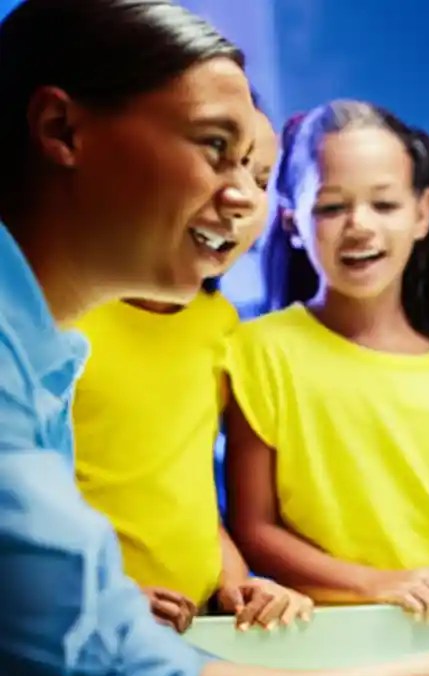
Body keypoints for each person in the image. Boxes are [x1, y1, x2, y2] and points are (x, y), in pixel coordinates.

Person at [0, 1, 429, 676]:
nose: (242, 196)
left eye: (255, 168)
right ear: (62, 130)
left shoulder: (43, 356)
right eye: (215, 145)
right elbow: (111, 675)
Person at [225, 100, 429, 612]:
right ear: (293, 223)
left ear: (423, 214)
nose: (359, 225)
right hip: (337, 642)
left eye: (384, 205)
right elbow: (254, 530)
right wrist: (377, 585)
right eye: (331, 207)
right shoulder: (259, 351)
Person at [72, 94, 313, 634]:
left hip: (195, 630)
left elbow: (195, 499)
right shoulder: (61, 314)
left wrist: (238, 582)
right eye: (218, 160)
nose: (244, 197)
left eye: (261, 177)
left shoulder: (220, 325)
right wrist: (96, 593)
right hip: (81, 632)